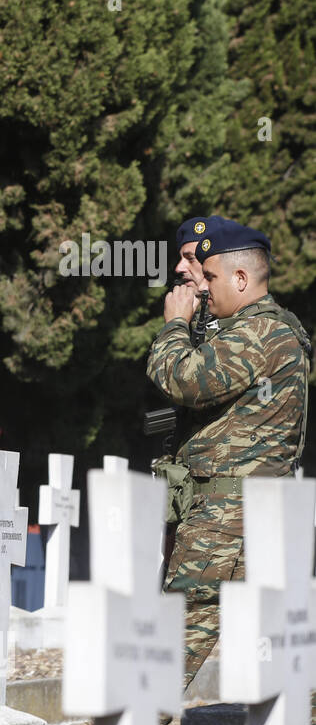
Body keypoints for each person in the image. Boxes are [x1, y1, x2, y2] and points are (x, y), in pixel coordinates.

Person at [147, 218, 311, 690]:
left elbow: (183, 379)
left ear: (240, 278)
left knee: (178, 630)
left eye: (209, 273)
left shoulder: (259, 332)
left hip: (226, 516)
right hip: (233, 510)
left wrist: (175, 324)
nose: (195, 278)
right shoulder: (256, 328)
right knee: (277, 638)